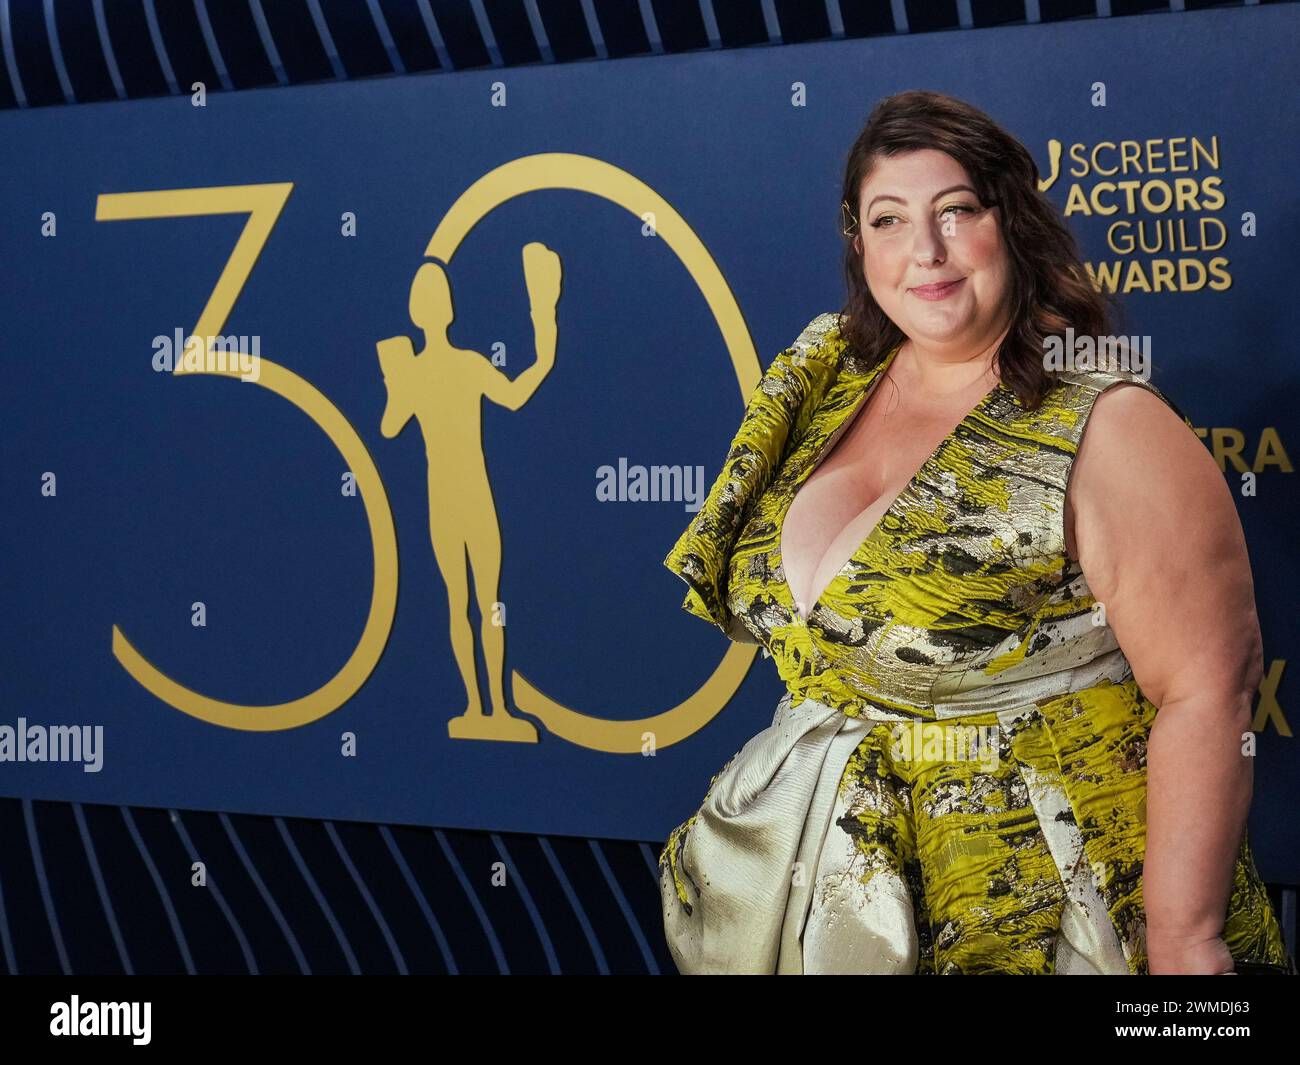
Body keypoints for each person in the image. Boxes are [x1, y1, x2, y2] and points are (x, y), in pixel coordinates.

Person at [658, 90, 1295, 976]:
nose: (925, 251)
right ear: (858, 242)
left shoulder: (1104, 425)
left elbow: (1210, 687)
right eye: (889, 219)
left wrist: (1184, 942)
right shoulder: (824, 375)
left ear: (1012, 222)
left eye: (955, 211)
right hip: (829, 902)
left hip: (1055, 913)